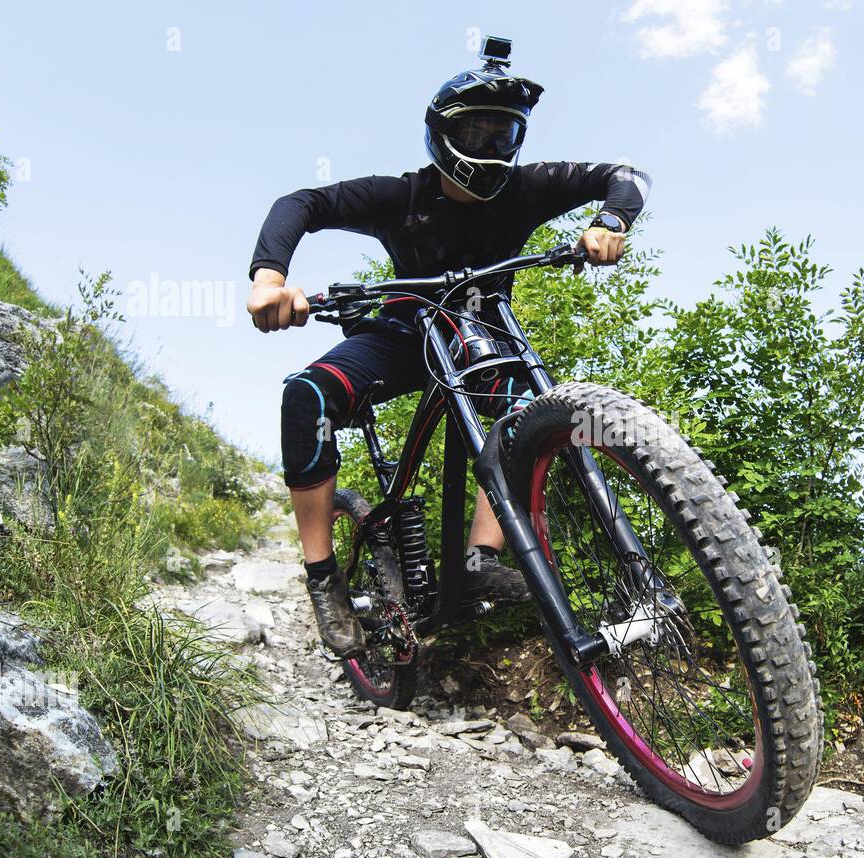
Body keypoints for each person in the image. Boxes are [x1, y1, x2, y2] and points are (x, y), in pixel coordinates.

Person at [246, 43, 651, 658]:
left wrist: (612, 222)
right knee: (307, 394)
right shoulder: (401, 196)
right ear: (442, 134)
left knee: (530, 419)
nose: (489, 146)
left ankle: (482, 557)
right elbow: (302, 204)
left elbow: (624, 175)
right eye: (474, 130)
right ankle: (324, 578)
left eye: (503, 133)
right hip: (406, 331)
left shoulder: (528, 188)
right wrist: (270, 279)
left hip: (484, 333)